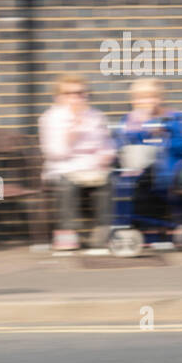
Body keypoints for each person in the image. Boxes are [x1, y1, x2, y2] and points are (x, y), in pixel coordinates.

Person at [39, 76, 116, 252]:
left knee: (106, 184)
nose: (76, 97)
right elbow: (54, 153)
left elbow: (107, 144)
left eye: (80, 93)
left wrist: (105, 156)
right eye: (69, 93)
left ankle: (101, 234)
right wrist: (73, 131)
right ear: (58, 97)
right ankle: (67, 232)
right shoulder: (50, 118)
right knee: (67, 185)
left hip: (92, 169)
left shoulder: (96, 116)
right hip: (63, 168)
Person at [114, 78, 182, 235]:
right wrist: (140, 129)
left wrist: (163, 134)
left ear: (160, 98)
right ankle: (135, 228)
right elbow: (121, 144)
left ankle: (177, 225)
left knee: (153, 180)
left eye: (151, 96)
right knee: (123, 183)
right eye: (141, 97)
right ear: (134, 101)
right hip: (136, 170)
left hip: (167, 168)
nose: (147, 101)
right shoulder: (129, 120)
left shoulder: (174, 118)